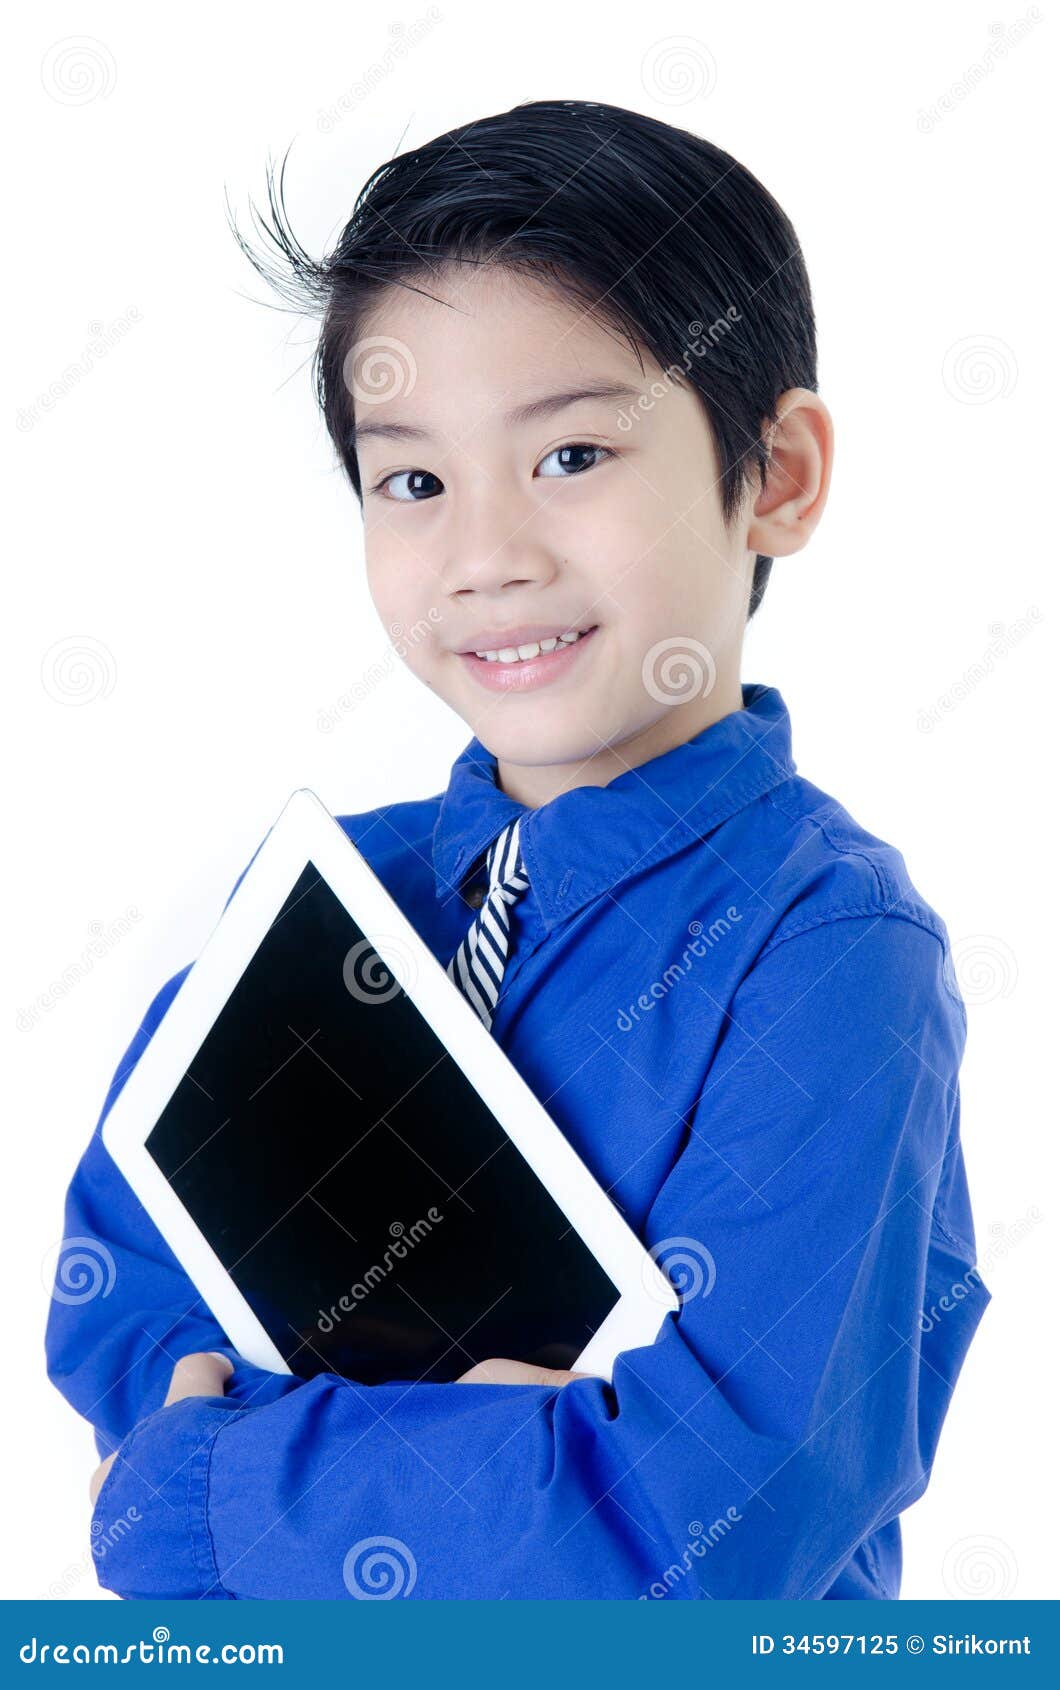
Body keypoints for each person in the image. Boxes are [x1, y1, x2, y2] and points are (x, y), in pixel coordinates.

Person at [45, 99, 990, 1600]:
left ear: (780, 474)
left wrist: (213, 1491)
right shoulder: (337, 900)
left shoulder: (829, 946)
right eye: (413, 481)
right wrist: (475, 1459)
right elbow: (133, 1287)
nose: (488, 550)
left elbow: (708, 1524)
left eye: (571, 454)